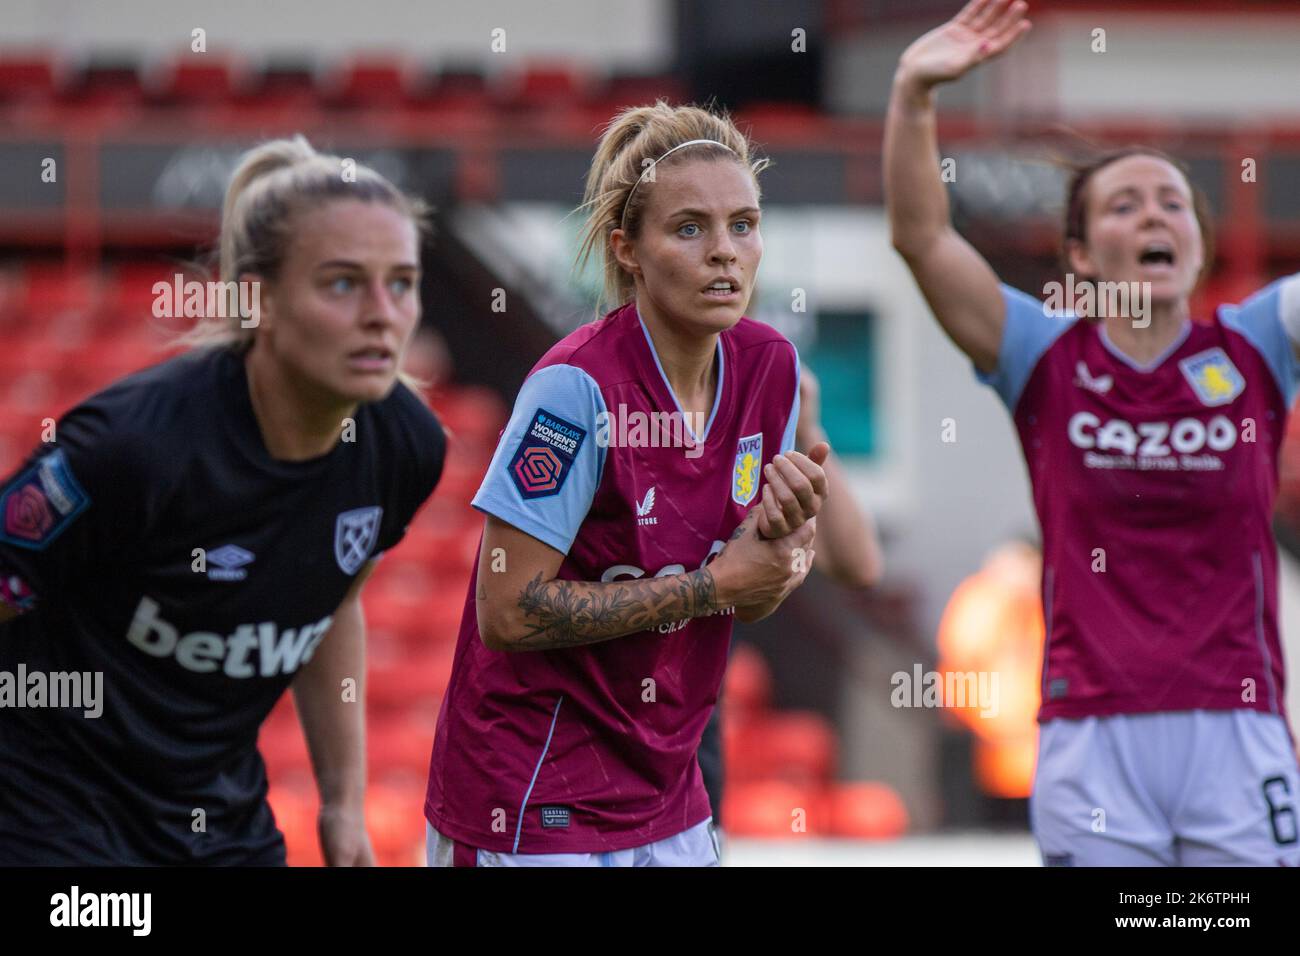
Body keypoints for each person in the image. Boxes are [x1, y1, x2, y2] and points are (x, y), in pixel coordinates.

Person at [886, 0, 1300, 866]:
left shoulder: (1259, 341)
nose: (1154, 216)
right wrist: (914, 92)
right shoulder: (1041, 353)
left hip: (1239, 726)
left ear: (1197, 238)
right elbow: (923, 238)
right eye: (1124, 206)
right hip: (1091, 738)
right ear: (1078, 254)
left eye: (1173, 203)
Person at [0, 136, 446, 865]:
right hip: (50, 814)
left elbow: (332, 598)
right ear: (260, 300)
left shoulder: (406, 444)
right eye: (342, 284)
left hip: (215, 823)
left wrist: (341, 803)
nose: (382, 313)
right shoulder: (127, 449)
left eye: (401, 282)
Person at [424, 101, 828, 867]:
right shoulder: (574, 390)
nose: (725, 254)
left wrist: (783, 552)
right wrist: (713, 587)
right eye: (689, 229)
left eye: (743, 225)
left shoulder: (769, 366)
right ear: (628, 250)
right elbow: (507, 613)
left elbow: (757, 587)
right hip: (528, 796)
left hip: (669, 790)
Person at [697, 365, 884, 840]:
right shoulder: (611, 401)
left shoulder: (747, 426)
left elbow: (858, 564)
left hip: (691, 769)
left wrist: (805, 426)